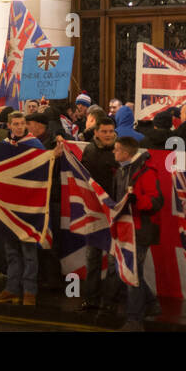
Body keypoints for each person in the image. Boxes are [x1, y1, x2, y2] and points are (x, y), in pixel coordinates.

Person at [99, 136, 163, 330]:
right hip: (127, 229)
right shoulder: (122, 170)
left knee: (131, 273)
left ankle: (135, 320)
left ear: (126, 153)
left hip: (140, 229)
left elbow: (156, 202)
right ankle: (151, 304)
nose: (113, 152)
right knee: (130, 272)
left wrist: (137, 200)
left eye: (116, 149)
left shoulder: (145, 172)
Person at [0, 128, 46, 306]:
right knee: (12, 252)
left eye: (21, 122)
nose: (19, 126)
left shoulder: (35, 145)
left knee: (29, 253)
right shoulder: (6, 147)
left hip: (27, 207)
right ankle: (12, 289)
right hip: (9, 207)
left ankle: (29, 292)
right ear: (10, 125)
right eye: (15, 123)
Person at [77, 115, 118, 313]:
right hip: (94, 211)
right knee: (92, 257)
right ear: (96, 132)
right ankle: (90, 298)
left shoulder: (120, 151)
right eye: (104, 131)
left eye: (111, 131)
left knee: (113, 260)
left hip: (115, 212)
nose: (108, 135)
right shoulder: (89, 150)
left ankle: (110, 300)